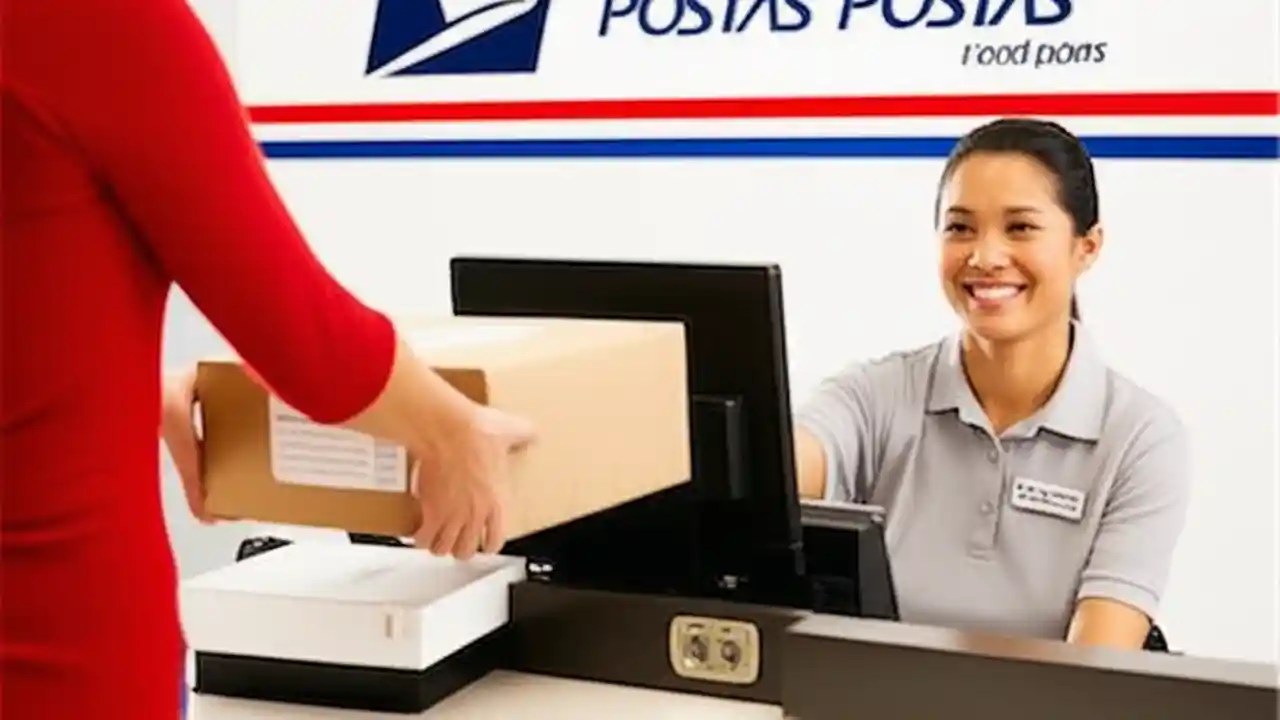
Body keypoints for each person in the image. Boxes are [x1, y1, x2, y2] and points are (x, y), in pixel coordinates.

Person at [2, 0, 534, 717]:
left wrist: (111, 391)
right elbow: (307, 342)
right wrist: (452, 432)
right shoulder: (99, 21)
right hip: (54, 662)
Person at [793, 118, 1191, 650]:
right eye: (960, 227)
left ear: (1086, 247)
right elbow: (785, 468)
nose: (984, 257)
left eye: (1020, 227)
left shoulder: (1141, 437)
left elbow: (1098, 674)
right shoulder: (874, 394)